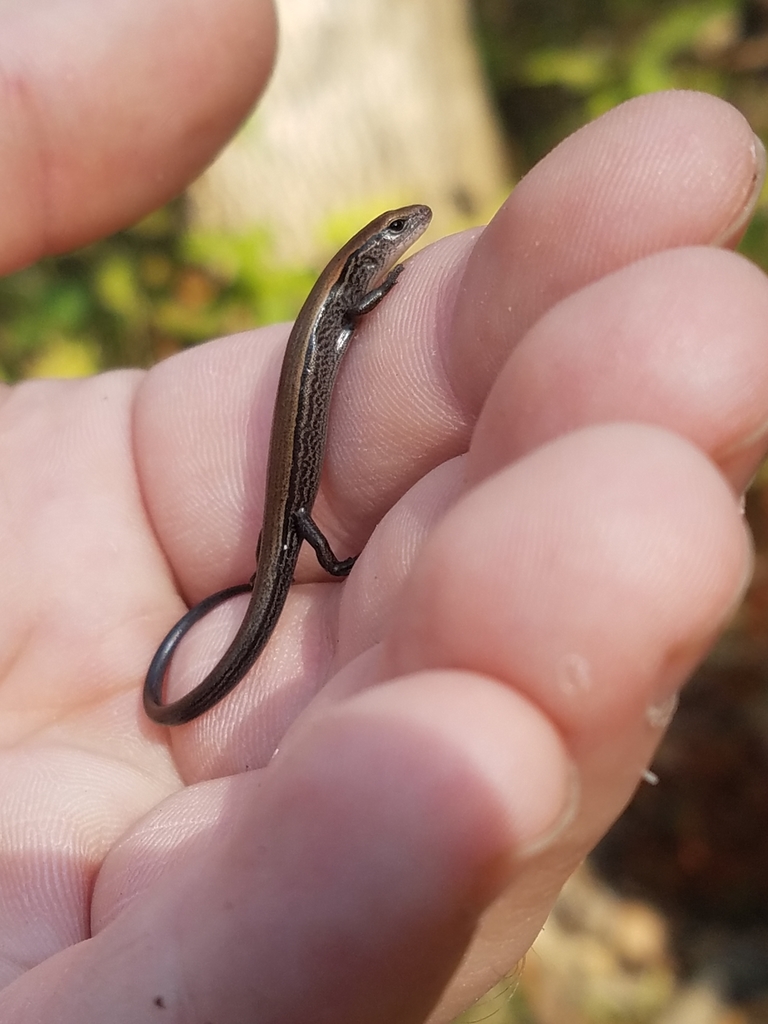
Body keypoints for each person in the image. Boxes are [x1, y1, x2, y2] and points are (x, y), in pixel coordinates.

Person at [0, 3, 764, 1021]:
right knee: (297, 566)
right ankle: (261, 616)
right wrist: (318, 549)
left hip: (288, 532)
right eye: (398, 236)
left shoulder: (350, 302)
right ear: (368, 263)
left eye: (406, 228)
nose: (411, 235)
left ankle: (242, 621)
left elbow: (351, 316)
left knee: (289, 572)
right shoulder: (352, 299)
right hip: (289, 536)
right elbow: (354, 311)